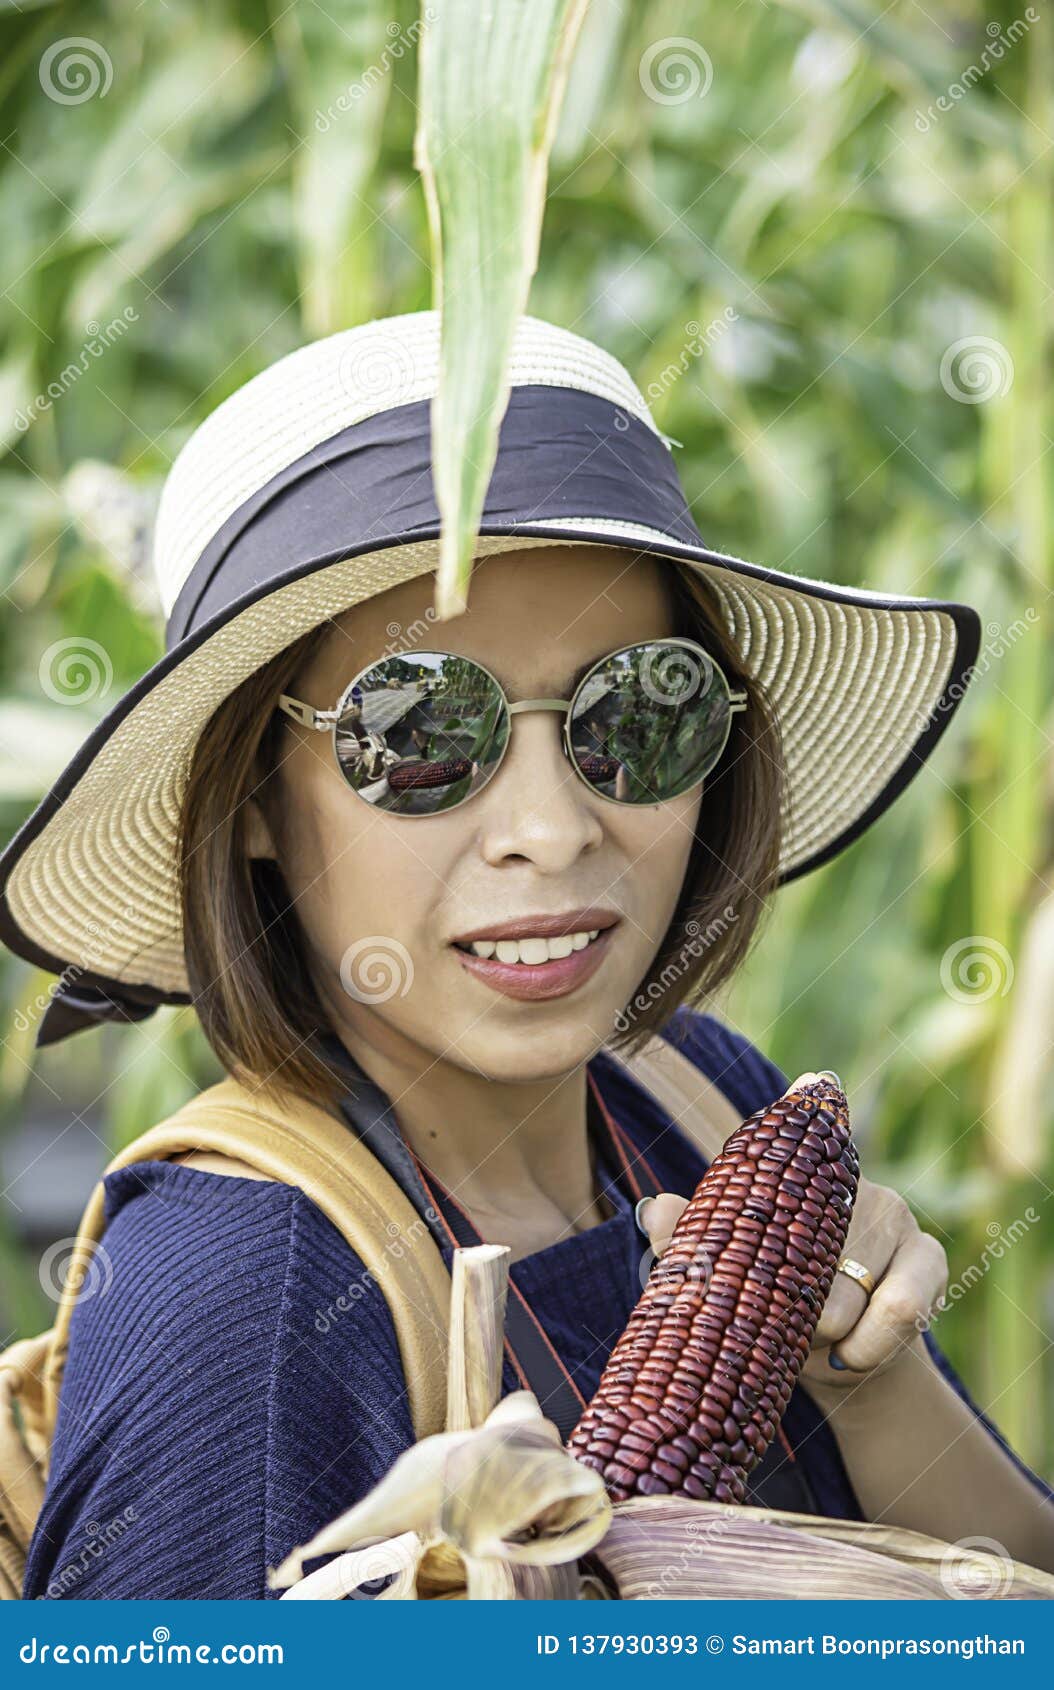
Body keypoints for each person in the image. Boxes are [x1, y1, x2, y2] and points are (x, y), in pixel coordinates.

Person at [2, 313, 1050, 1599]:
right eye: (420, 733)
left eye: (640, 709)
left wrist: (868, 1378)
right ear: (255, 798)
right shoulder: (242, 1306)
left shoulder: (700, 1099)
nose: (553, 829)